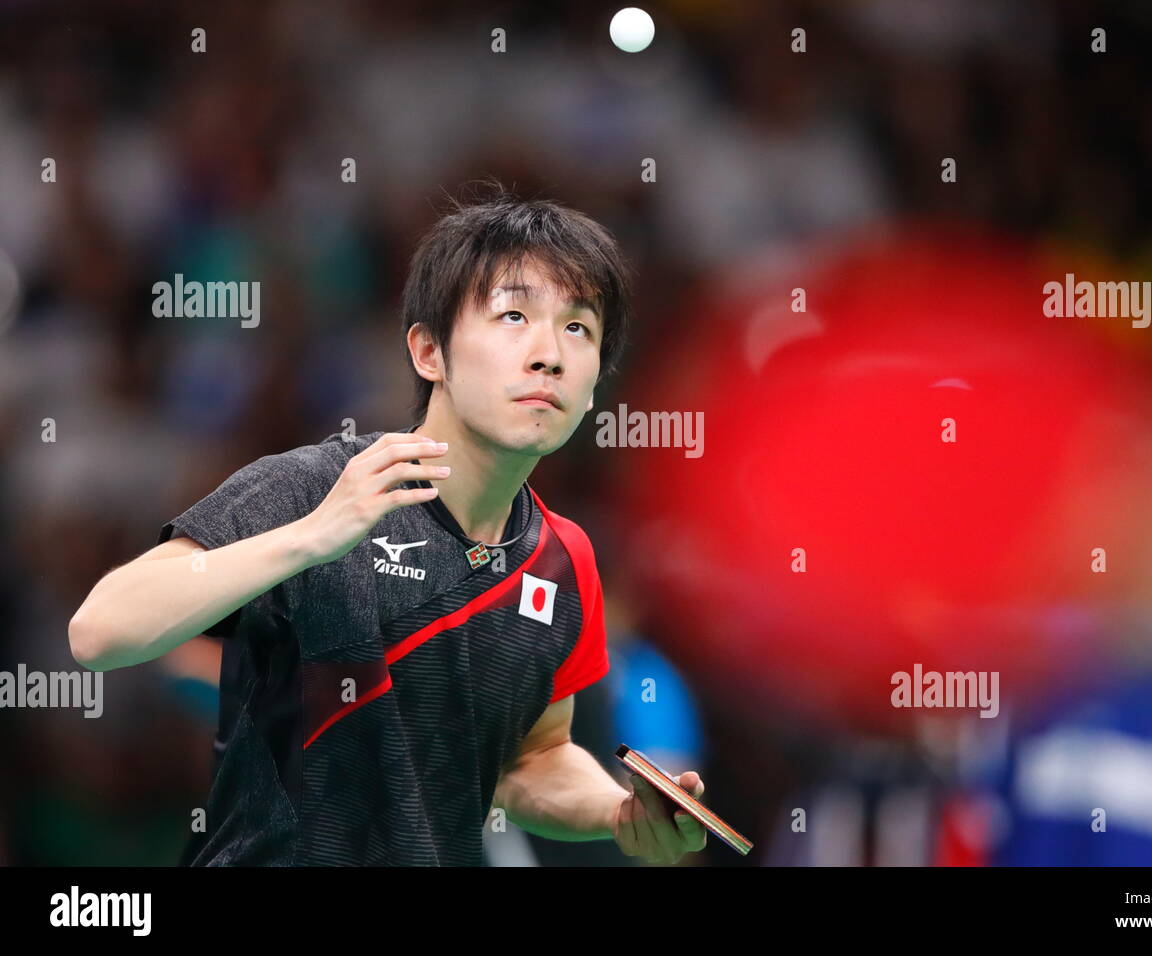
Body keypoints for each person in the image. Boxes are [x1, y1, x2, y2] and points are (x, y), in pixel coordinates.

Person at [67, 181, 707, 866]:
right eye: (513, 317)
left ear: (590, 393)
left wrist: (616, 811)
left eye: (578, 327)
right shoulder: (316, 488)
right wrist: (313, 537)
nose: (549, 353)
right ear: (429, 352)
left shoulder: (561, 558)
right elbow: (100, 632)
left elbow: (533, 761)